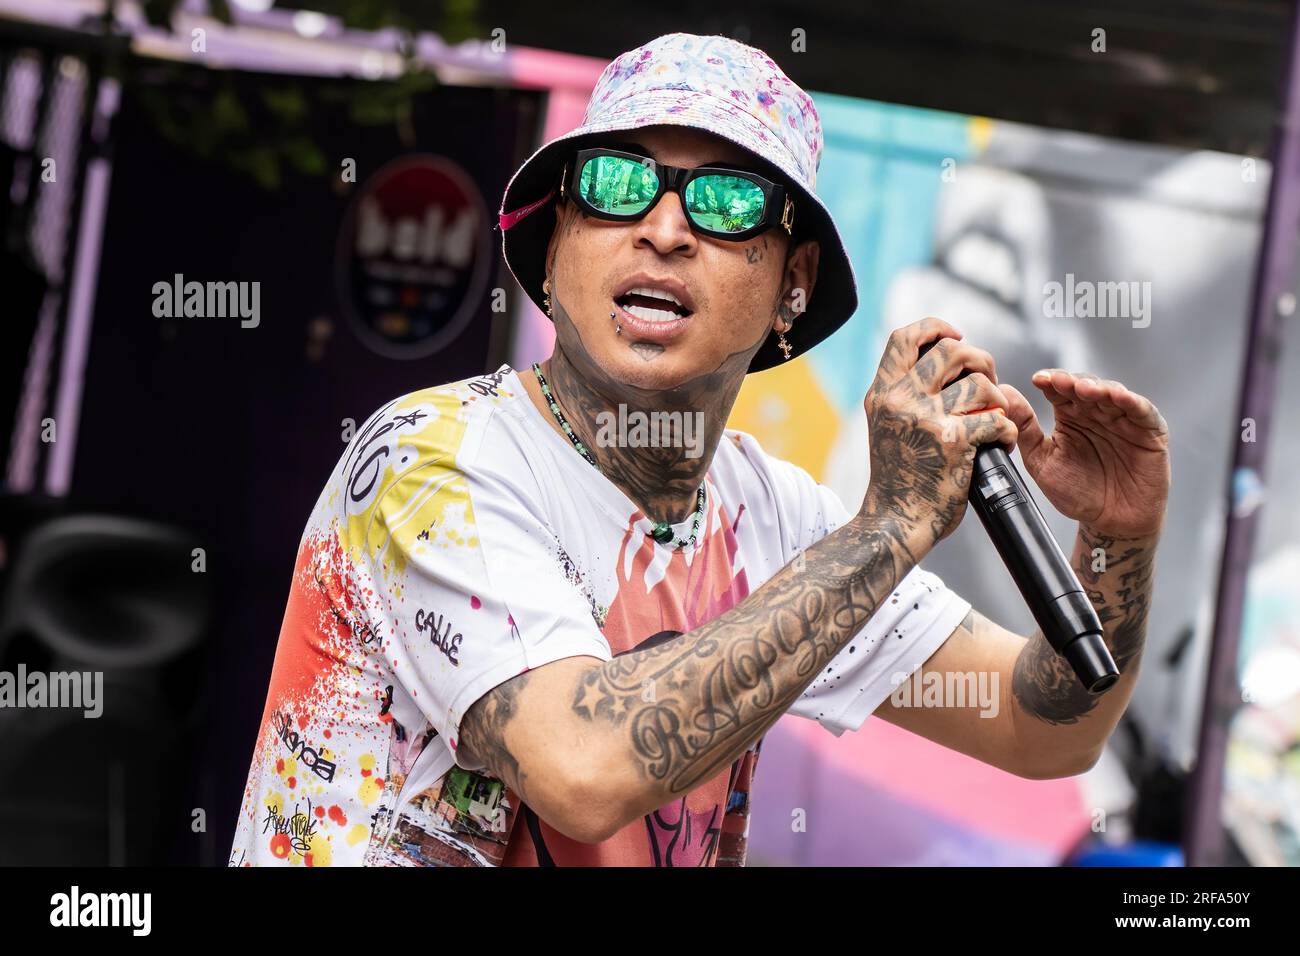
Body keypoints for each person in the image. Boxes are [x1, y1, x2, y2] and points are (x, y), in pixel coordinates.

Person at [230, 32, 1170, 867]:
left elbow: (1049, 727)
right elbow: (584, 771)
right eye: (615, 182)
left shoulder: (776, 518)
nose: (664, 227)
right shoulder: (431, 461)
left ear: (792, 283)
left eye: (725, 200)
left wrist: (1121, 539)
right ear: (554, 244)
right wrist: (891, 523)